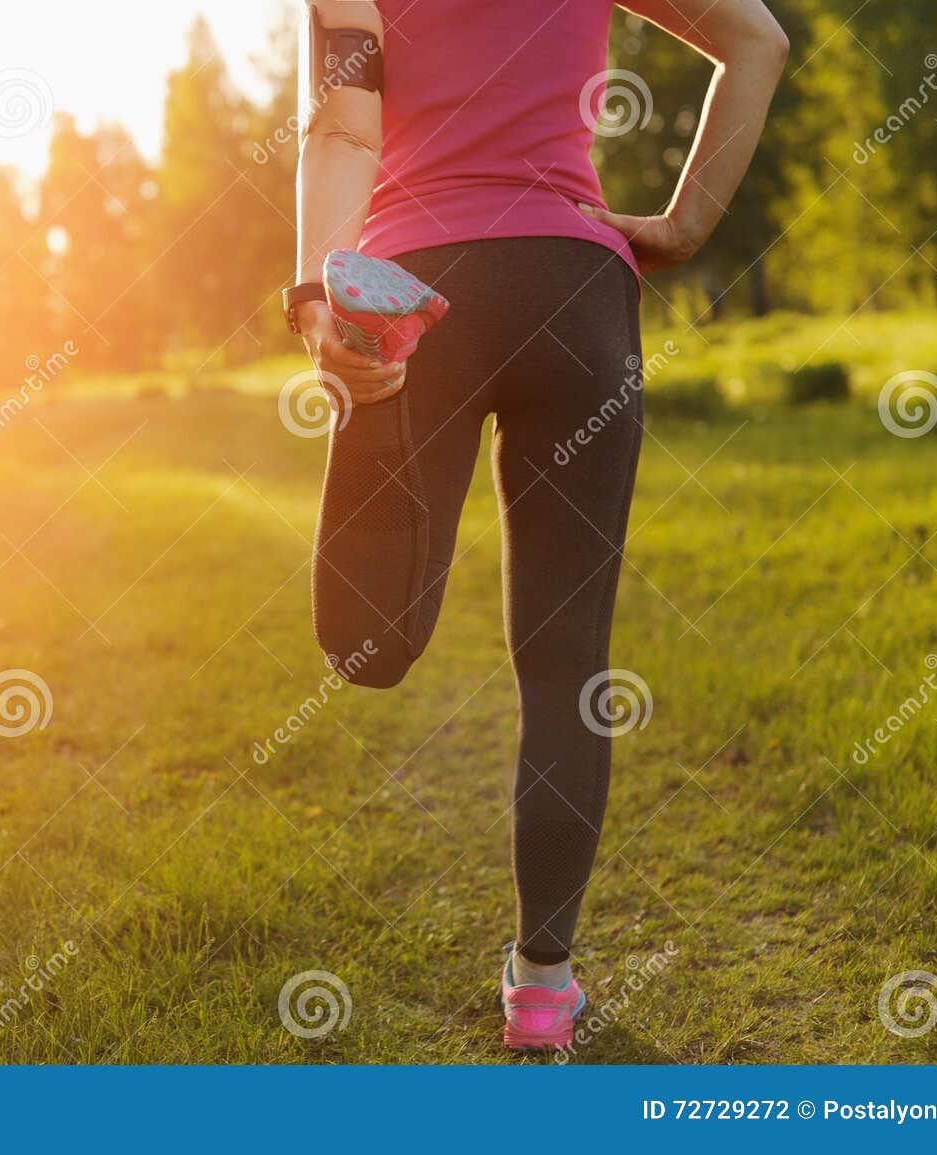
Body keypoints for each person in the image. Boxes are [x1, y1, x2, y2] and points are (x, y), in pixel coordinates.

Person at [284, 0, 788, 1049]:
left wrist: (316, 297)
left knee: (364, 647)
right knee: (566, 660)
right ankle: (543, 986)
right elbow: (759, 39)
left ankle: (377, 353)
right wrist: (684, 225)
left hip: (418, 279)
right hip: (576, 289)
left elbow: (341, 127)